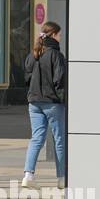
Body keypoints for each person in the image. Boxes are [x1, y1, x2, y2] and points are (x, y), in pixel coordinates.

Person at [23, 21, 67, 189]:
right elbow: (60, 80)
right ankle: (62, 178)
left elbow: (26, 77)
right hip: (52, 103)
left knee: (36, 139)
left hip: (34, 102)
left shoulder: (34, 54)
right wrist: (63, 99)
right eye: (60, 34)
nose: (61, 37)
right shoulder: (56, 55)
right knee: (59, 140)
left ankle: (28, 175)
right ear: (54, 35)